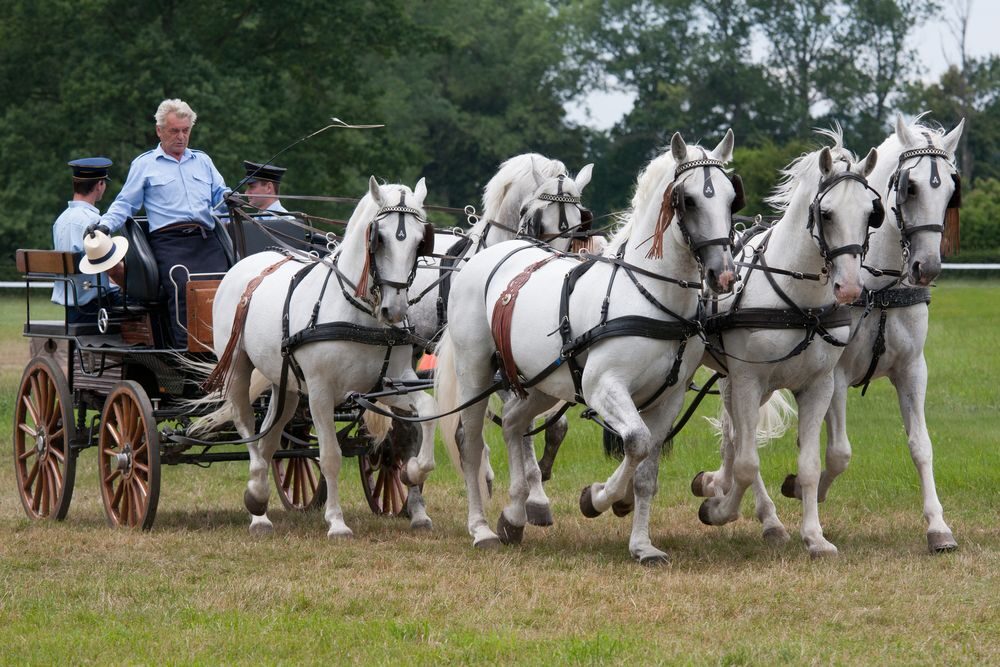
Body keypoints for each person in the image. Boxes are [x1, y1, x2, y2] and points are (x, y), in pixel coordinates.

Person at [99, 98, 231, 348]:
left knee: (225, 284)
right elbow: (125, 204)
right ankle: (187, 351)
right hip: (169, 243)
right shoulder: (145, 164)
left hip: (206, 240)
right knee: (182, 283)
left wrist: (231, 199)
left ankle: (225, 346)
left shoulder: (203, 161)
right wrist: (105, 226)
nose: (181, 137)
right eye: (174, 131)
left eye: (186, 130)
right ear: (159, 131)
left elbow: (221, 195)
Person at [51, 157, 125, 323]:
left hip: (71, 305)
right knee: (149, 303)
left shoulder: (60, 220)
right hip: (94, 305)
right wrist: (134, 288)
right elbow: (113, 270)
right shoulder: (95, 222)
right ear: (100, 185)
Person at [238, 160, 314, 254]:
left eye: (252, 187)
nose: (246, 193)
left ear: (269, 188)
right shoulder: (253, 219)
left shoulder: (287, 222)